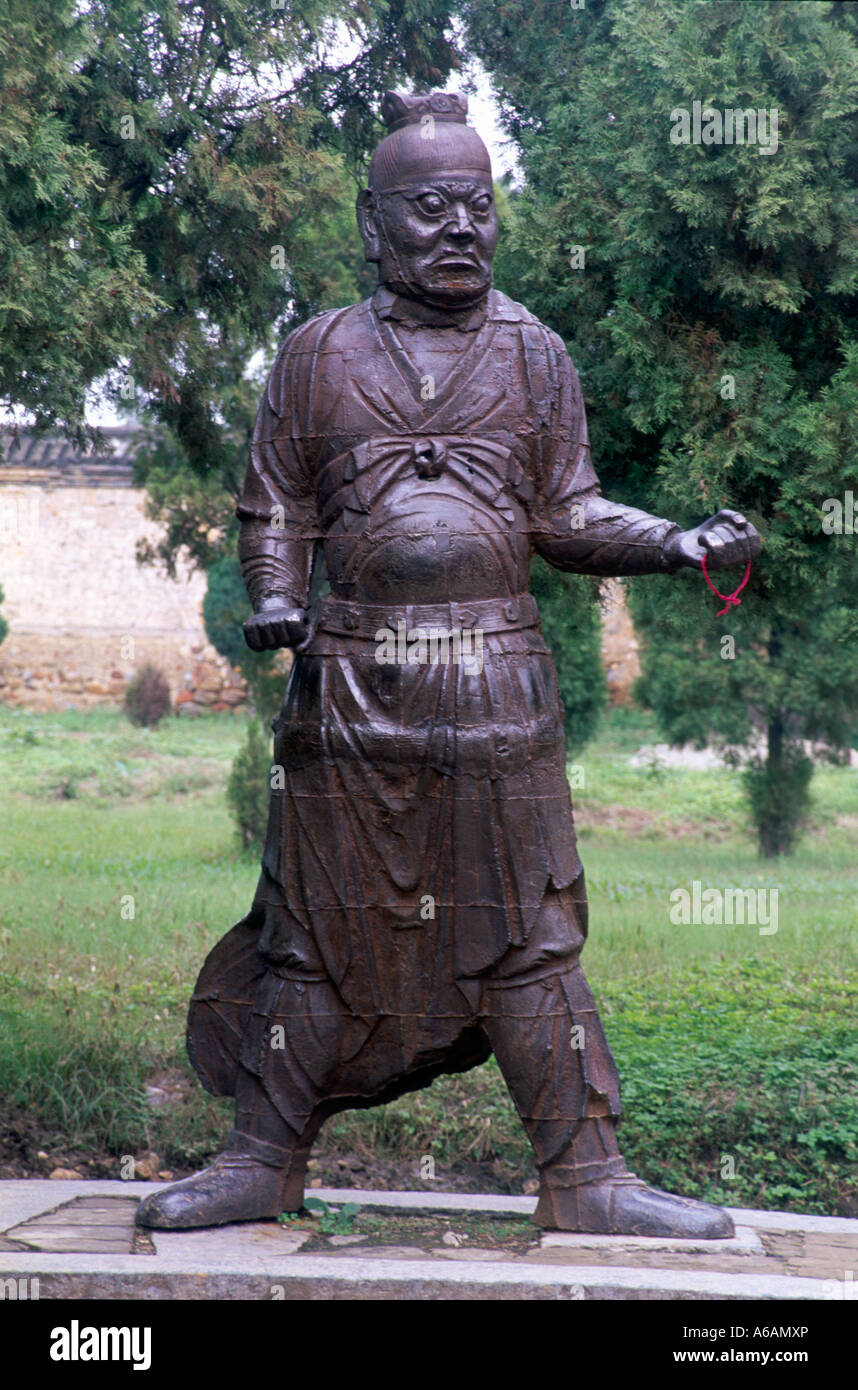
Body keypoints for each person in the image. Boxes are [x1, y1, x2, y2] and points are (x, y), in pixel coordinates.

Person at [138, 91, 760, 1236]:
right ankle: (259, 1159)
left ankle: (588, 1175)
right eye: (429, 207)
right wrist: (277, 597)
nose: (459, 227)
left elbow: (565, 511)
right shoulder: (317, 354)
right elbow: (275, 501)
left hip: (496, 693)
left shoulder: (534, 353)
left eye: (477, 205)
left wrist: (675, 543)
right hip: (352, 694)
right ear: (375, 227)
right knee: (311, 935)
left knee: (526, 934)